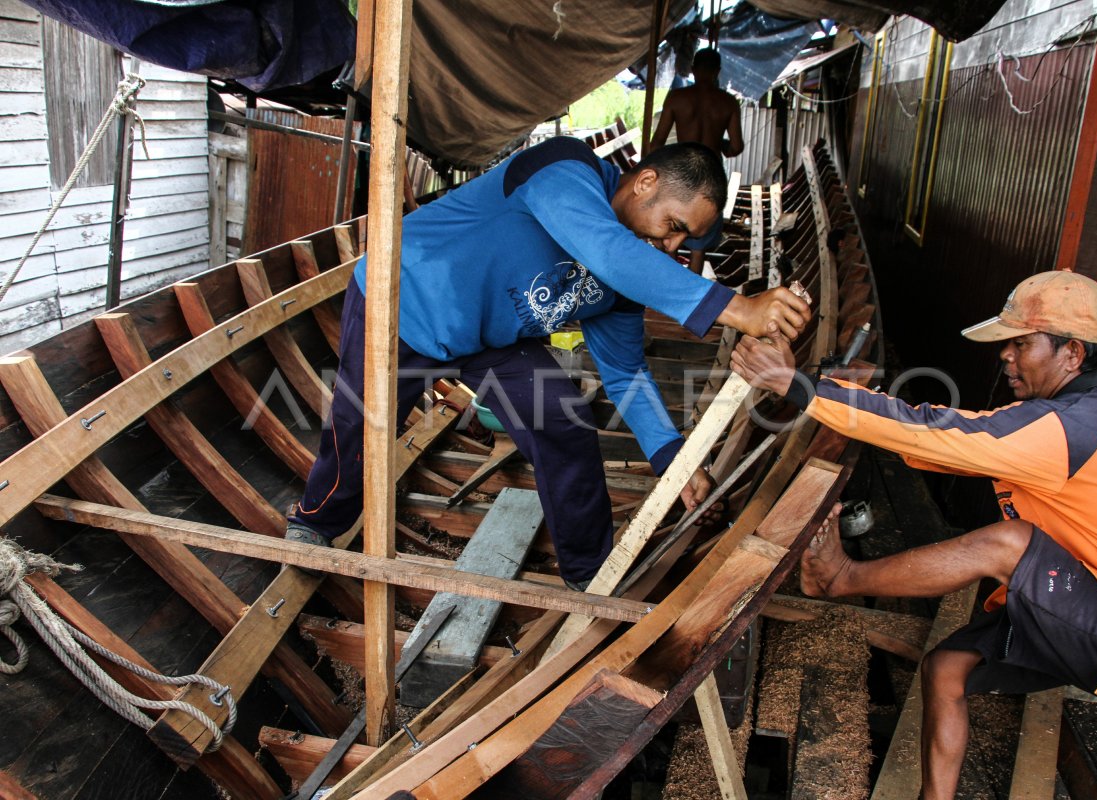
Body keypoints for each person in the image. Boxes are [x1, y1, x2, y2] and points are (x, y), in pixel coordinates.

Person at [731, 270, 1097, 799]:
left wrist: (801, 386)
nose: (1007, 356)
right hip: (1094, 601)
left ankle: (842, 577)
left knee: (1008, 543)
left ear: (1073, 353)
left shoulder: (1074, 427)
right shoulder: (1083, 407)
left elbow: (943, 434)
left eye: (1021, 344)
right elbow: (950, 444)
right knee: (946, 670)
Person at [286, 137, 810, 591]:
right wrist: (736, 308)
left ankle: (590, 570)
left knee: (564, 421)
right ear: (645, 182)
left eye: (683, 240)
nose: (670, 245)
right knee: (362, 427)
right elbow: (604, 250)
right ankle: (316, 523)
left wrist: (672, 458)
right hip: (404, 301)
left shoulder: (624, 280)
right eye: (673, 226)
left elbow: (626, 373)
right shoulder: (564, 170)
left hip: (490, 339)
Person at [647, 48, 744, 274]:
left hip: (682, 171)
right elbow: (737, 147)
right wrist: (720, 144)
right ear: (717, 72)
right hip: (711, 174)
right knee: (698, 248)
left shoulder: (677, 98)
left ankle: (666, 293)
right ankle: (690, 304)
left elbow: (657, 142)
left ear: (692, 70)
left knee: (671, 238)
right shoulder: (728, 102)